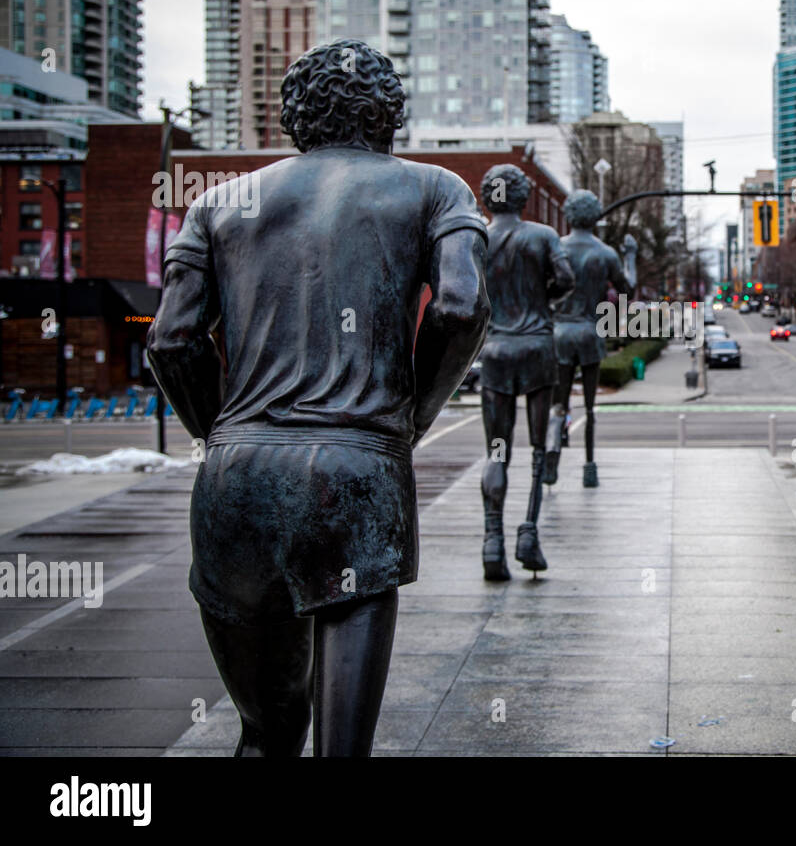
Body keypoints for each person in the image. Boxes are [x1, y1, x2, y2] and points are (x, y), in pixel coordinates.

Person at [147, 38, 489, 756]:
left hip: (233, 480)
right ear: (390, 113)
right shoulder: (435, 189)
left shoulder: (217, 203)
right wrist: (411, 417)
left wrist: (226, 435)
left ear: (293, 118)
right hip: (355, 471)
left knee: (267, 733)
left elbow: (172, 342)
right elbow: (461, 309)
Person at [477, 164, 574, 580]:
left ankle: (492, 541)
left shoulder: (476, 238)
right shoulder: (543, 236)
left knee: (497, 451)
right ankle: (529, 534)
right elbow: (565, 279)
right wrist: (541, 298)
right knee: (537, 450)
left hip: (496, 350)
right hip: (537, 347)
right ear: (523, 197)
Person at [543, 190, 636, 488]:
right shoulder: (606, 253)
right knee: (591, 407)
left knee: (559, 404)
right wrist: (630, 256)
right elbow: (627, 290)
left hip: (561, 332)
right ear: (595, 216)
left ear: (569, 215)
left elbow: (544, 289)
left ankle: (552, 456)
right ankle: (589, 465)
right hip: (590, 332)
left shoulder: (556, 247)